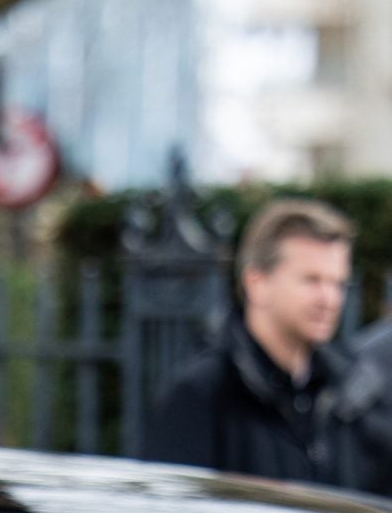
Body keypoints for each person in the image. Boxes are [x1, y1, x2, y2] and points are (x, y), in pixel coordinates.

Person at [145, 196, 379, 489]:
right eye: (311, 280)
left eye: (338, 283)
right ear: (256, 283)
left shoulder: (350, 393)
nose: (329, 300)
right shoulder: (201, 394)